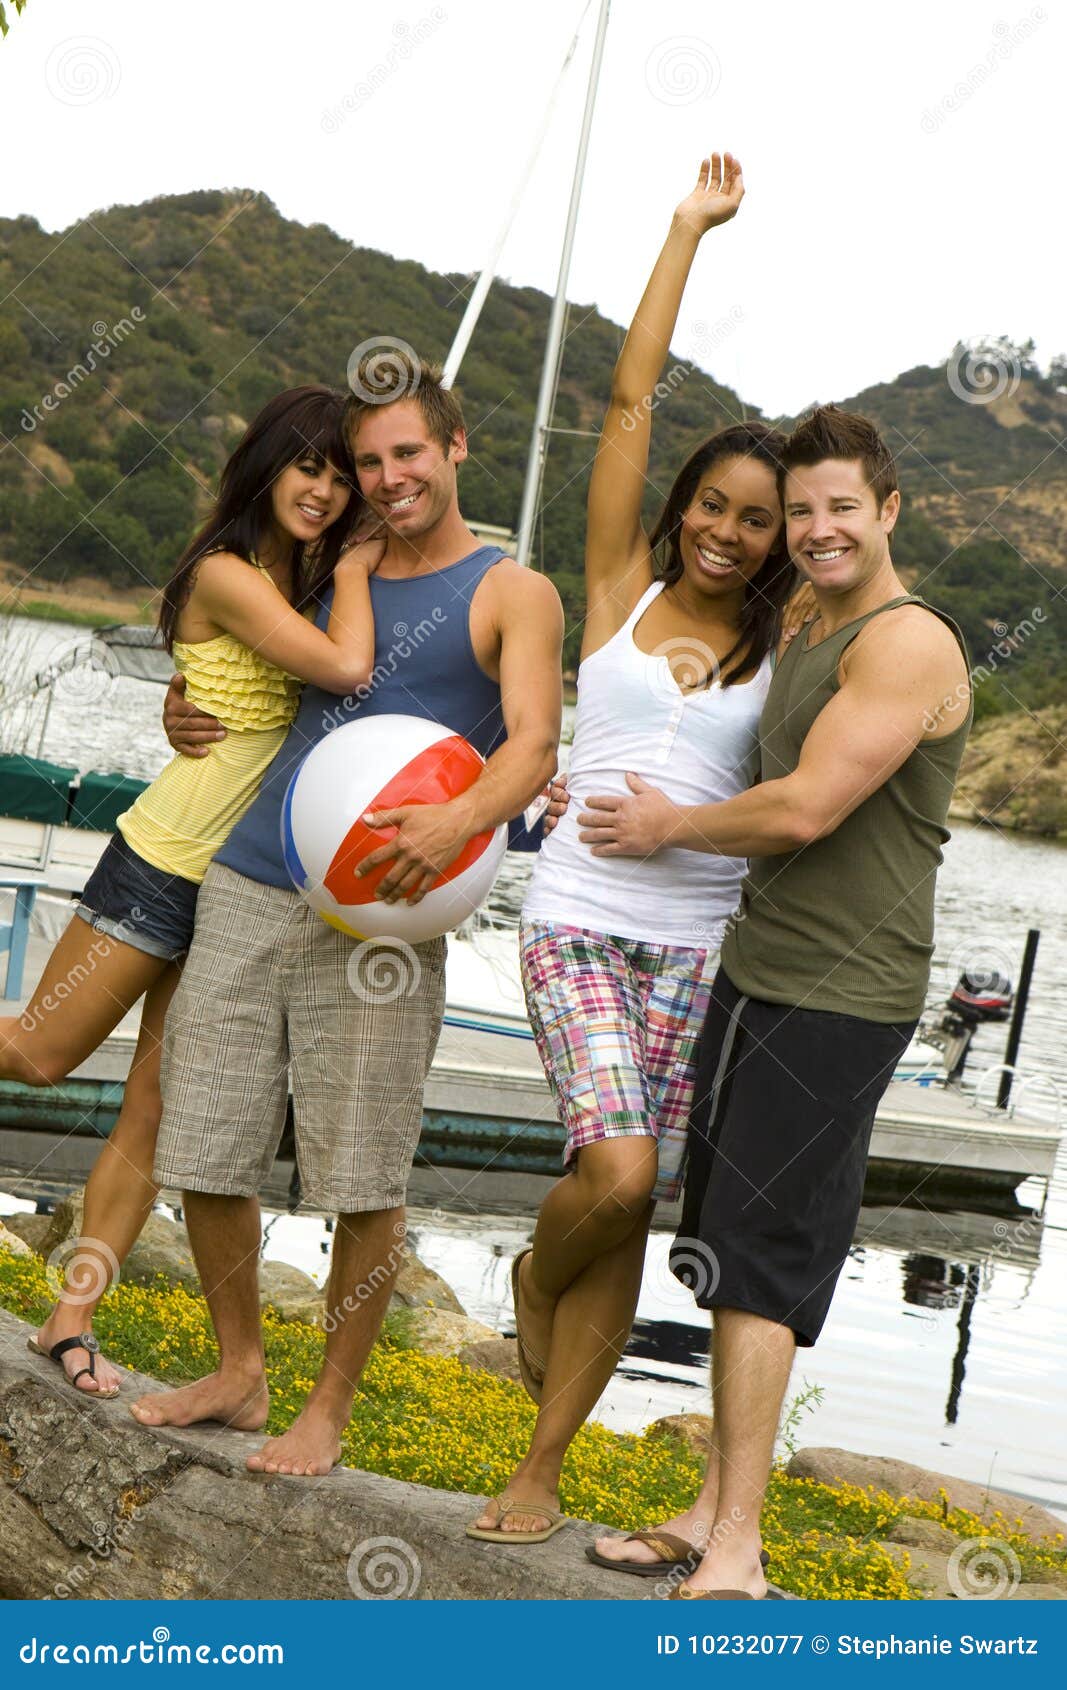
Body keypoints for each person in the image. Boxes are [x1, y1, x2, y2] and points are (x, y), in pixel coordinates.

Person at [129, 355, 564, 1478]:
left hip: (385, 919)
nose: (386, 477)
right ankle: (238, 1370)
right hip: (249, 875)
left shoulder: (511, 591)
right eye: (369, 461)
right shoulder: (333, 566)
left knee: (361, 1173)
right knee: (207, 1143)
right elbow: (237, 656)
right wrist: (182, 703)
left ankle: (324, 1410)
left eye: (406, 453)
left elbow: (532, 746)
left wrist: (456, 819)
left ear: (455, 447)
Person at [467, 154, 806, 1550]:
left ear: (782, 540)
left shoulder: (783, 645)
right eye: (713, 505)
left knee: (630, 1189)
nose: (728, 532)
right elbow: (622, 399)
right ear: (679, 506)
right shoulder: (617, 583)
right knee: (607, 1179)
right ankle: (534, 1286)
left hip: (695, 947)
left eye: (757, 520)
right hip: (575, 914)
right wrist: (683, 232)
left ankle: (539, 1466)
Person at [582, 402, 972, 1598]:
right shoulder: (807, 618)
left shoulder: (903, 645)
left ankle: (738, 1544)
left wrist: (665, 828)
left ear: (888, 509)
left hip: (838, 992)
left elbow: (803, 808)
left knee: (763, 1256)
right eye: (798, 512)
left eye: (837, 507)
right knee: (724, 1248)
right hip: (758, 971)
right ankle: (711, 1505)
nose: (813, 529)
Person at [1, 386, 376, 1399]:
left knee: (153, 1115)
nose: (327, 490)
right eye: (310, 467)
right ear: (268, 467)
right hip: (164, 858)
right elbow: (343, 670)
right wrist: (357, 560)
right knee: (37, 1049)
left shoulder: (306, 582)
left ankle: (68, 1319)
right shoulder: (230, 572)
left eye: (342, 478)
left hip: (244, 886)